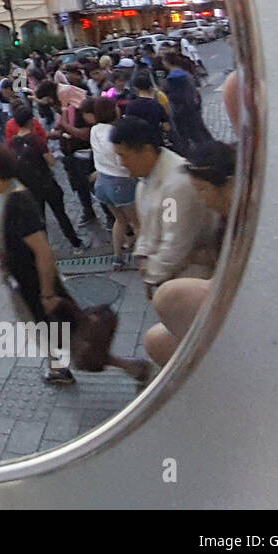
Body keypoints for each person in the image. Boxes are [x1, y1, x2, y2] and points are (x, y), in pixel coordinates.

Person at [0, 144, 149, 386]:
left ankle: (128, 367)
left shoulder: (17, 204)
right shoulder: (11, 195)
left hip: (38, 289)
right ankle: (62, 369)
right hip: (29, 287)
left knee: (72, 337)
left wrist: (47, 294)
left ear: (0, 172)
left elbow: (44, 252)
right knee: (58, 334)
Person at [144, 140, 235, 367]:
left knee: (170, 297)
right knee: (156, 339)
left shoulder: (243, 224)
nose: (201, 199)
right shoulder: (225, 220)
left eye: (203, 190)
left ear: (229, 185)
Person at [110, 117, 218, 300]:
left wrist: (152, 273)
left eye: (124, 156)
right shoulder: (144, 180)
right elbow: (147, 227)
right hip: (168, 273)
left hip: (190, 280)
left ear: (146, 150)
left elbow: (174, 241)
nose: (122, 163)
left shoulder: (176, 186)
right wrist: (143, 255)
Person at [9, 107, 90, 254]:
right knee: (60, 214)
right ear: (30, 121)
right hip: (47, 183)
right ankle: (76, 244)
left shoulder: (13, 142)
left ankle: (44, 250)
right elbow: (51, 161)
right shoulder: (35, 139)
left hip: (30, 188)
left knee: (40, 219)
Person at [85, 97, 141, 270]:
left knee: (120, 220)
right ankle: (144, 260)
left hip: (102, 183)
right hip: (120, 184)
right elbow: (122, 163)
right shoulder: (115, 134)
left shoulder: (94, 130)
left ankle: (117, 258)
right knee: (138, 224)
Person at [37, 79, 98, 225]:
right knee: (79, 187)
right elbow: (62, 126)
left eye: (50, 101)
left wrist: (64, 127)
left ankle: (111, 216)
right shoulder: (65, 109)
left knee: (94, 187)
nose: (51, 106)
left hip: (85, 155)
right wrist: (56, 132)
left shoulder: (78, 108)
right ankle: (88, 211)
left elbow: (84, 133)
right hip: (70, 155)